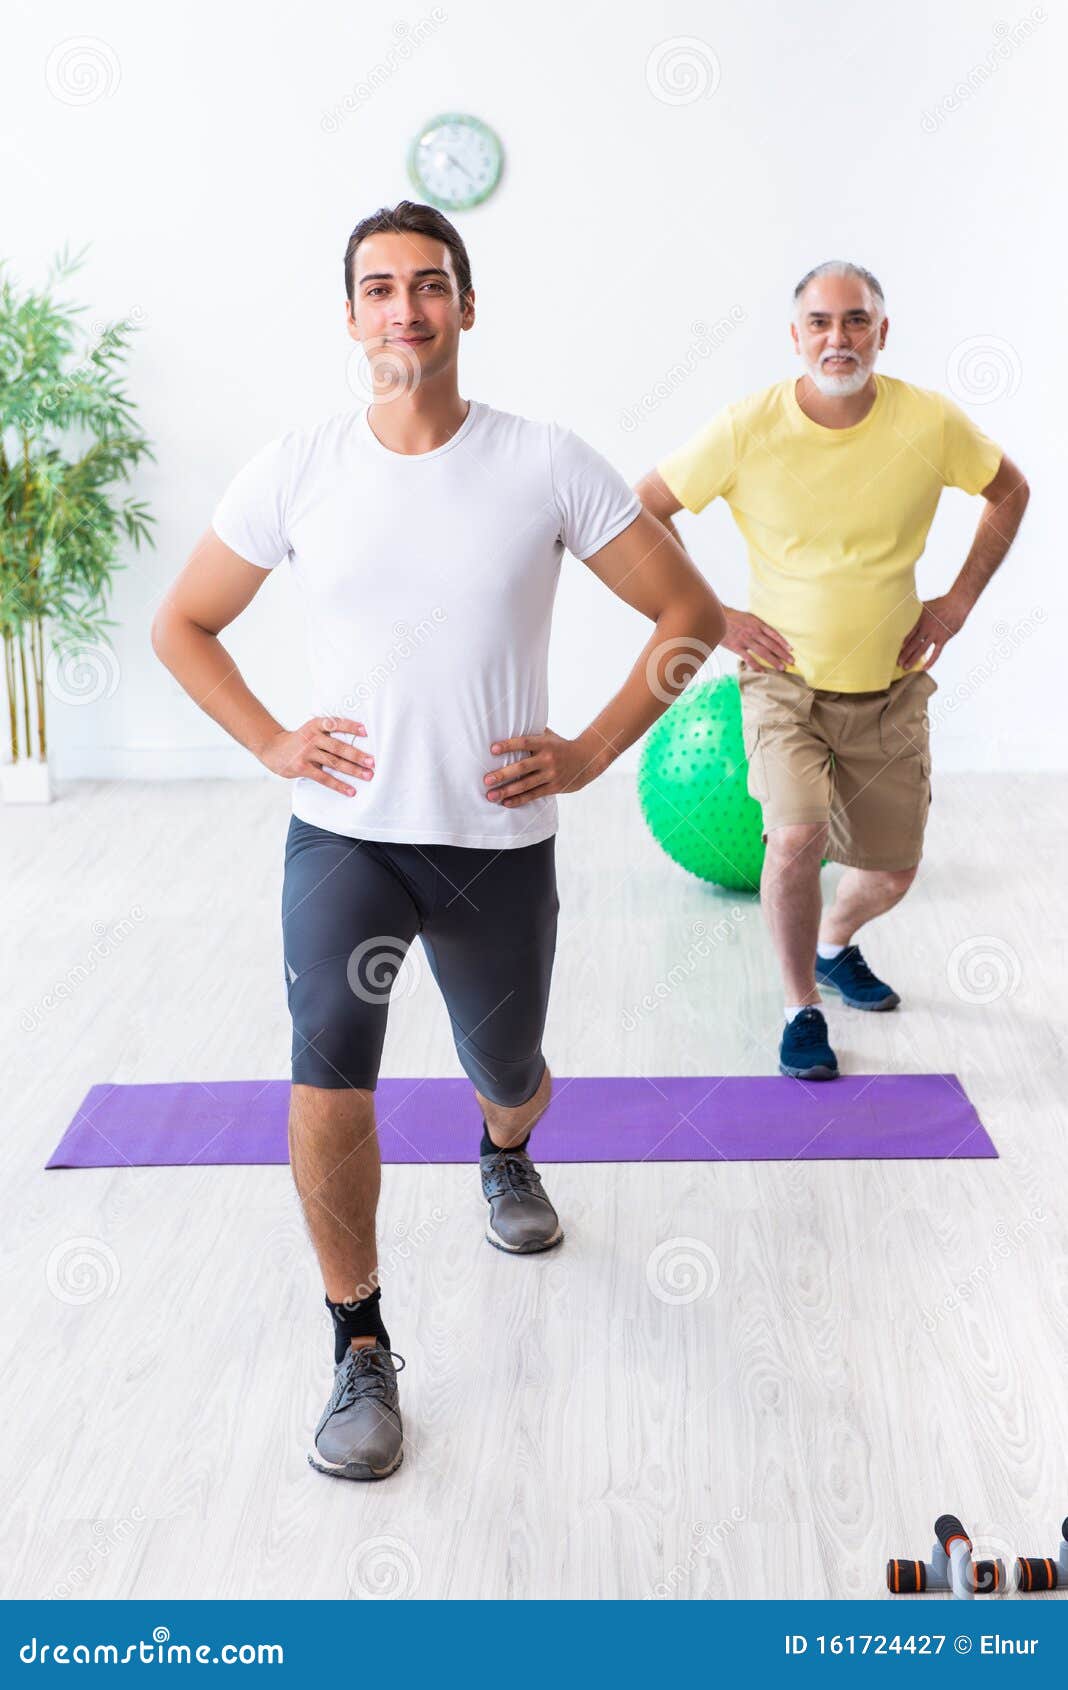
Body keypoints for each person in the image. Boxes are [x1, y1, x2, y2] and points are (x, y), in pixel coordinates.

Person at [150, 200, 725, 1481]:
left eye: (428, 284)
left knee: (508, 1065)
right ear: (350, 316)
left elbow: (689, 612)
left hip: (497, 844)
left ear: (467, 304)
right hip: (344, 839)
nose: (404, 307)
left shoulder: (547, 463)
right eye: (377, 288)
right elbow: (183, 624)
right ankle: (359, 1344)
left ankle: (505, 1148)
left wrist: (585, 752)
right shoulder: (297, 465)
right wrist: (267, 740)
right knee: (328, 1069)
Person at [636, 260, 1029, 1082]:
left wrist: (955, 603)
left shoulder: (929, 421)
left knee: (891, 871)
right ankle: (799, 1009)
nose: (838, 337)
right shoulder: (748, 427)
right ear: (795, 337)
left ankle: (832, 944)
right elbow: (643, 509)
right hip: (785, 686)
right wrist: (717, 620)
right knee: (797, 839)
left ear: (882, 333)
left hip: (890, 687)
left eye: (856, 321)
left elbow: (1010, 492)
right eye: (820, 322)